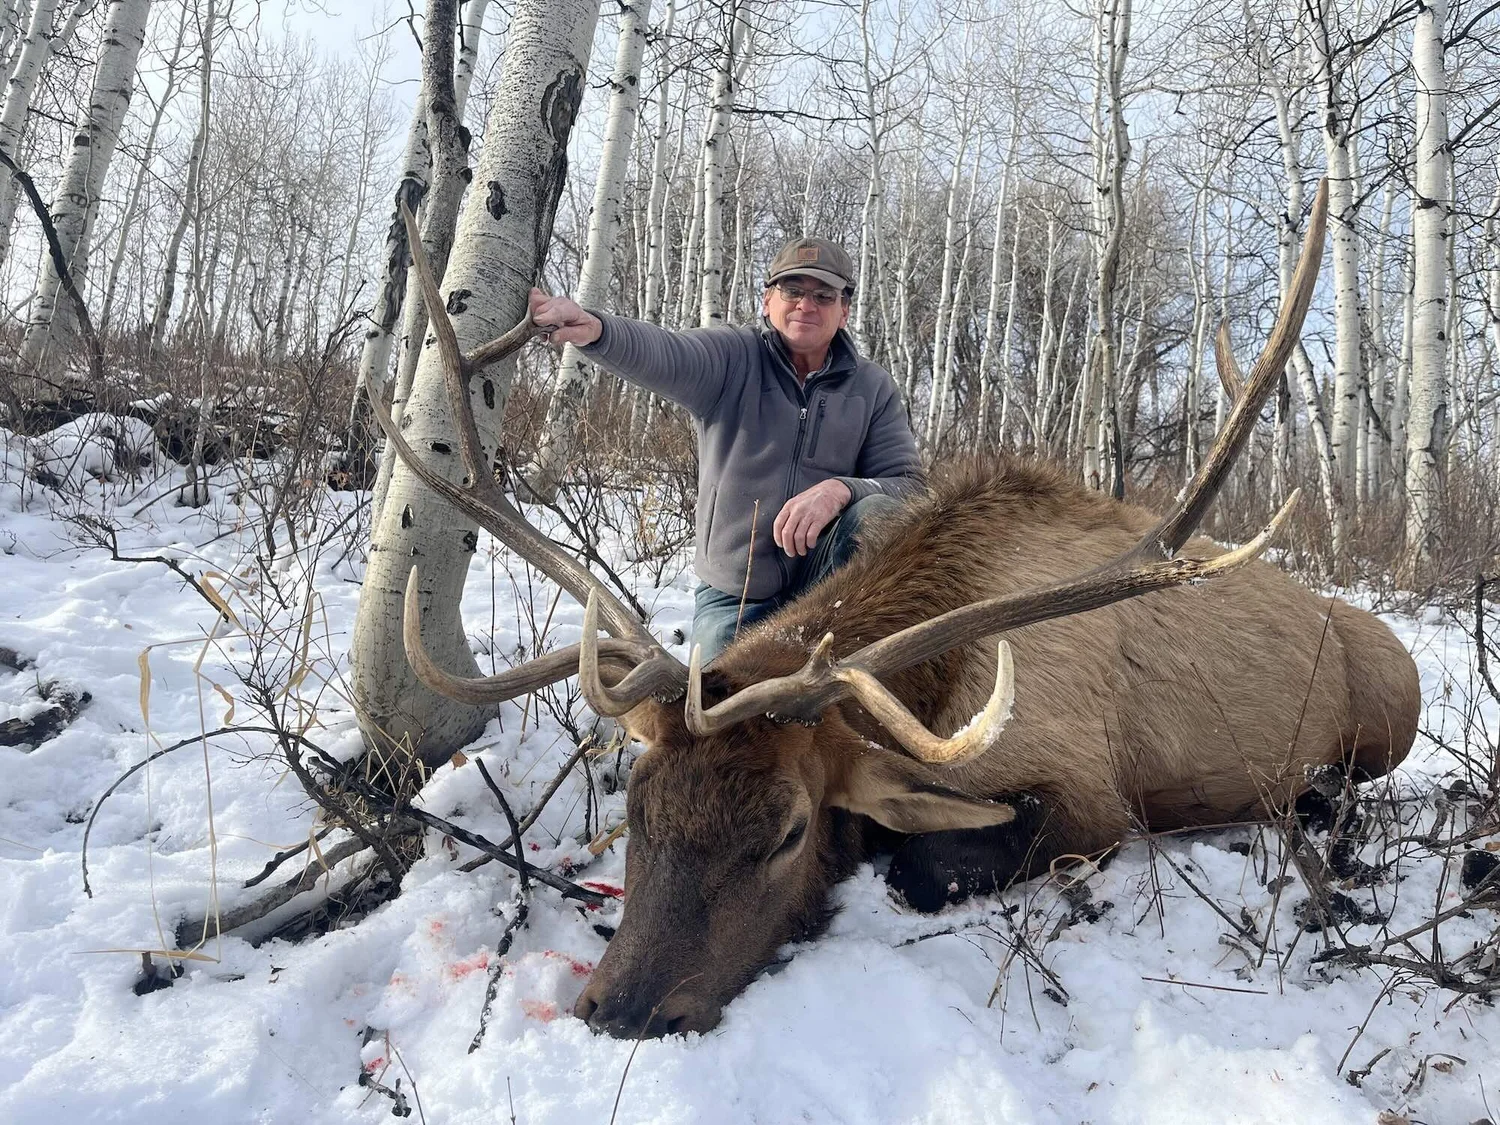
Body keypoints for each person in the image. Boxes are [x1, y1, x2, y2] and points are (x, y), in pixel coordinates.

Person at [529, 236, 923, 661]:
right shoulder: (734, 357)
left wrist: (841, 490)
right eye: (793, 291)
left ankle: (864, 652)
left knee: (877, 513)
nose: (806, 305)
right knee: (717, 717)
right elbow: (668, 353)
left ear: (844, 310)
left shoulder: (872, 387)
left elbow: (909, 488)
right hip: (735, 596)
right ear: (768, 300)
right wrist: (598, 330)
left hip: (828, 591)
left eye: (824, 295)